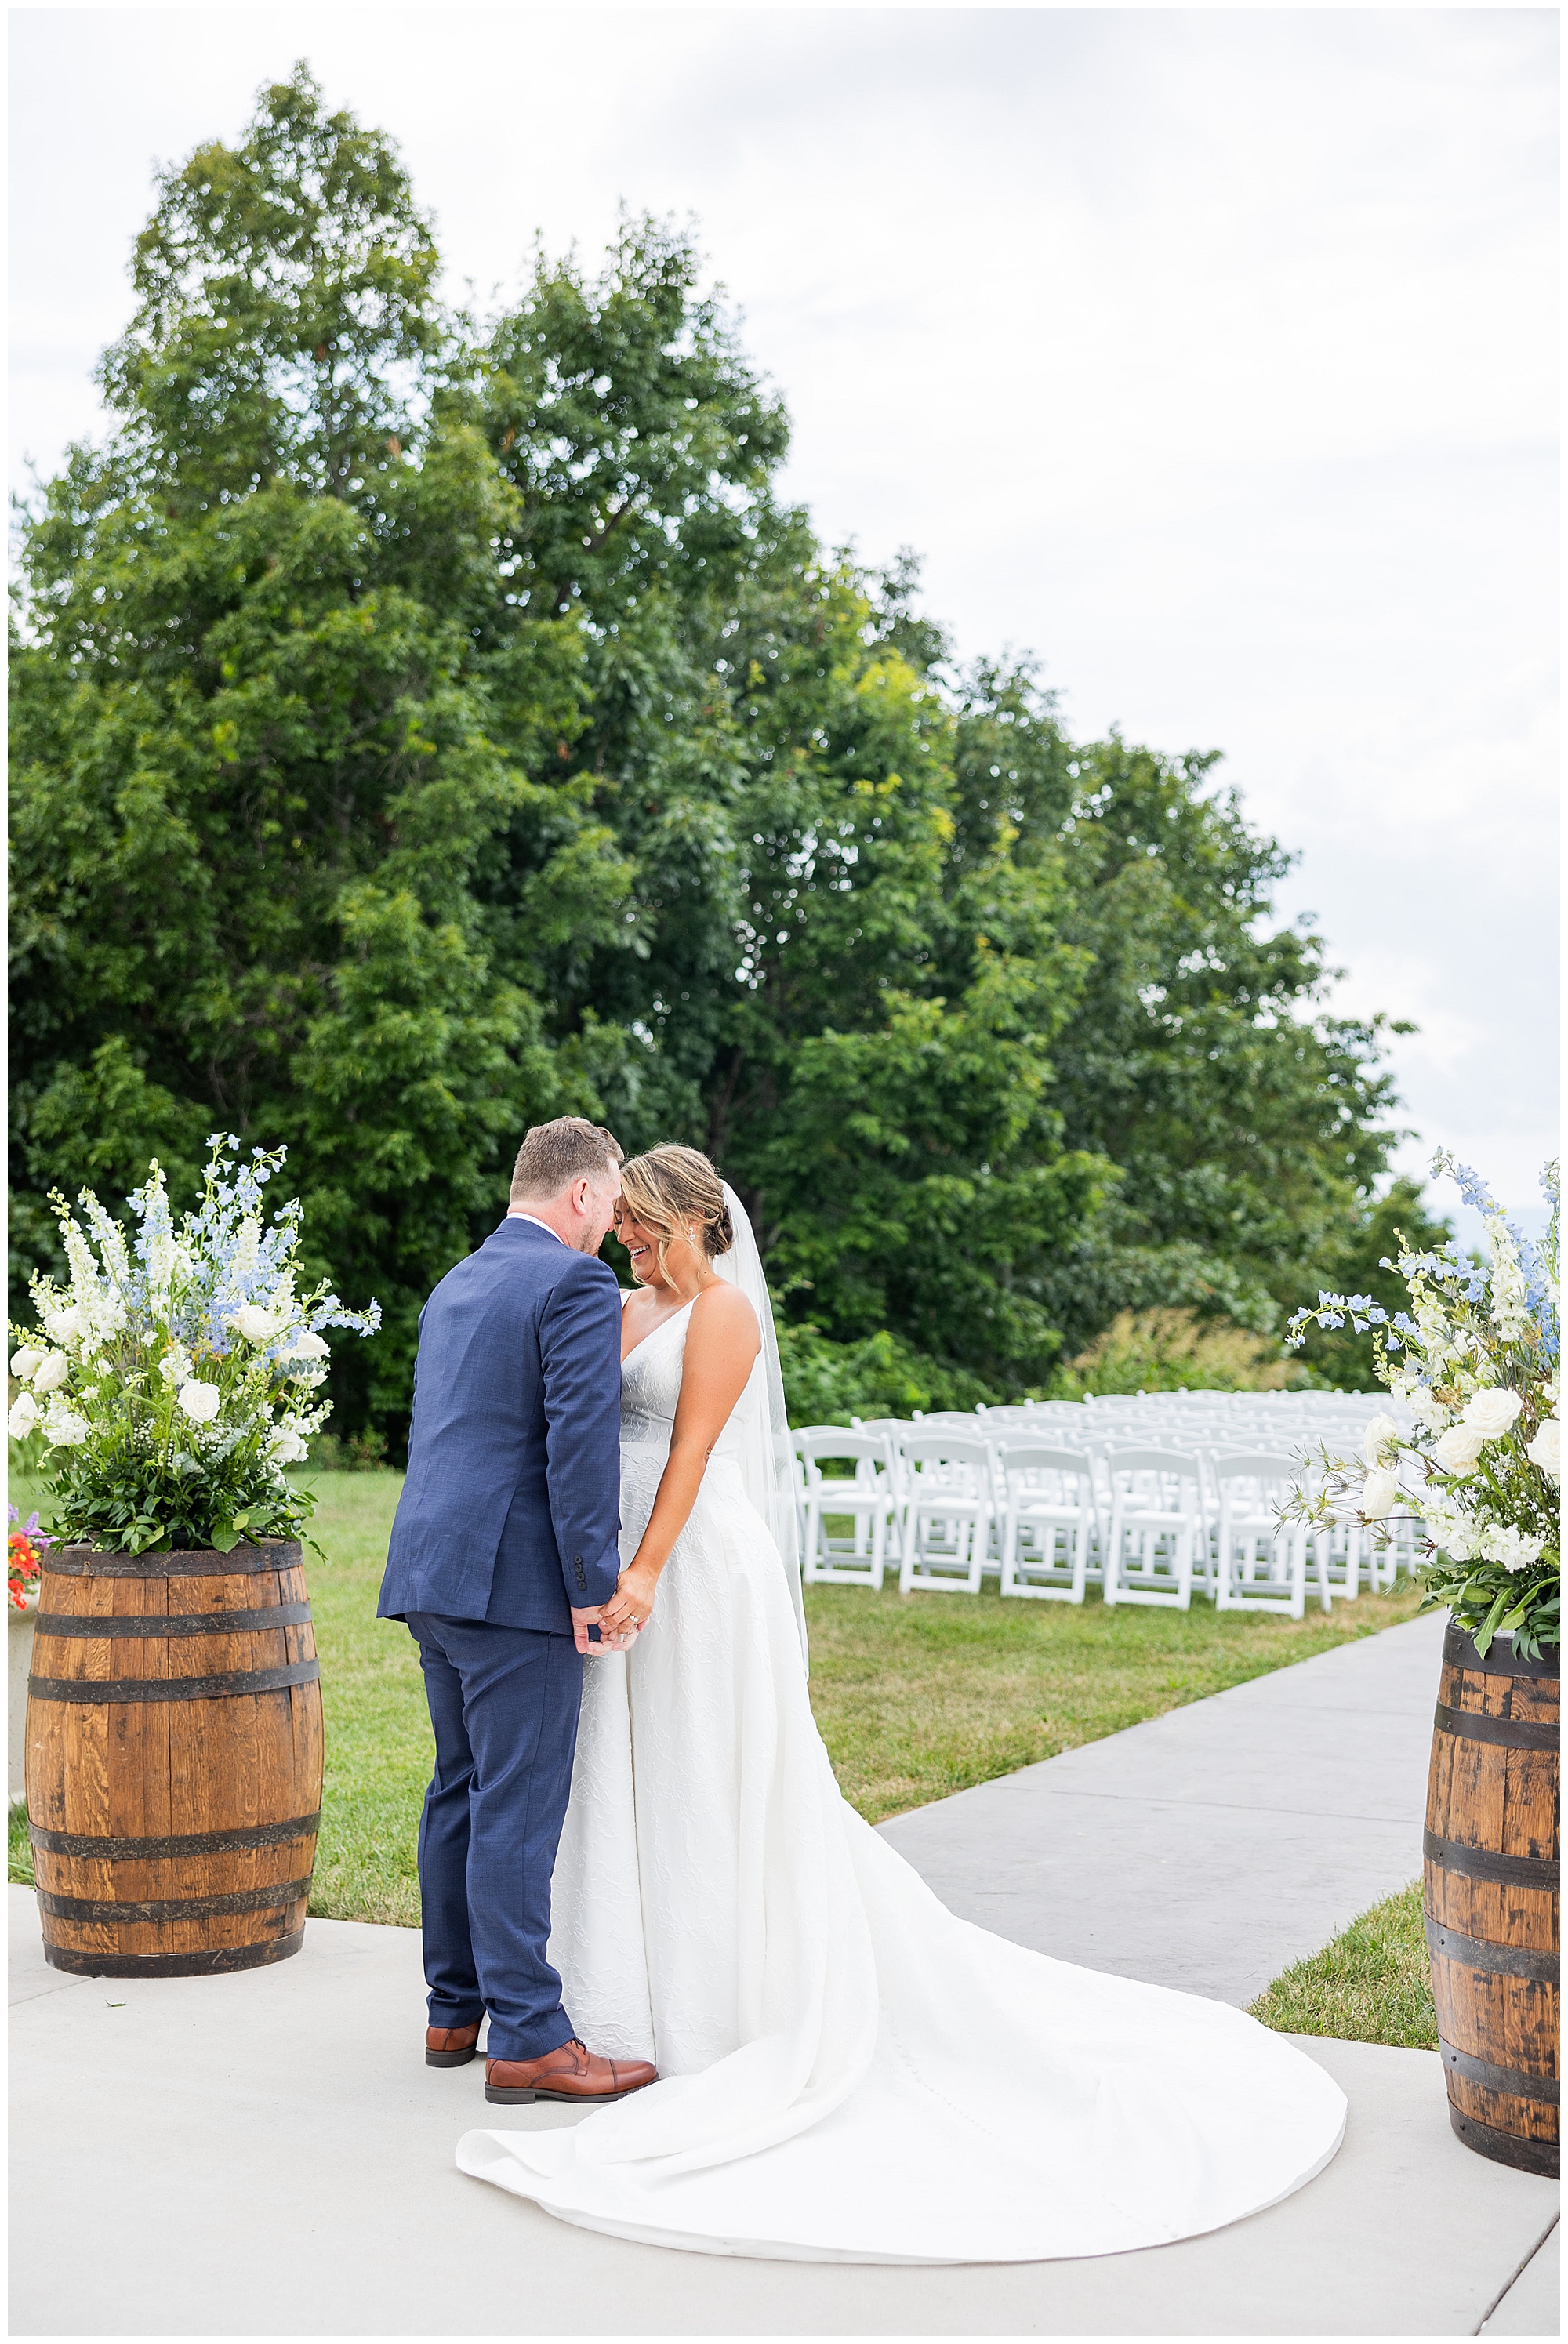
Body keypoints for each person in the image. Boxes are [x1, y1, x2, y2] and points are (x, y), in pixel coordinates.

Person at [455, 1141, 1348, 2263]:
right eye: (622, 1225)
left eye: (643, 1226)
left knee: (696, 1763)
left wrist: (643, 1572)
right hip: (604, 1570)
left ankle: (709, 1994)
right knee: (605, 1770)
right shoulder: (620, 1304)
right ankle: (605, 1987)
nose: (627, 1241)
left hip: (688, 1568)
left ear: (691, 1219)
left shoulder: (724, 1316)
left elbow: (687, 1457)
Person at [378, 1117, 656, 2110]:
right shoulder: (573, 1282)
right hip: (515, 1580)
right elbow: (577, 1446)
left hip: (431, 1567)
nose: (612, 1222)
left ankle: (452, 2010)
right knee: (515, 1804)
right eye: (612, 1201)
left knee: (457, 1787)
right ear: (580, 1193)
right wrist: (593, 1585)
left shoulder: (458, 1279)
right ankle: (532, 2038)